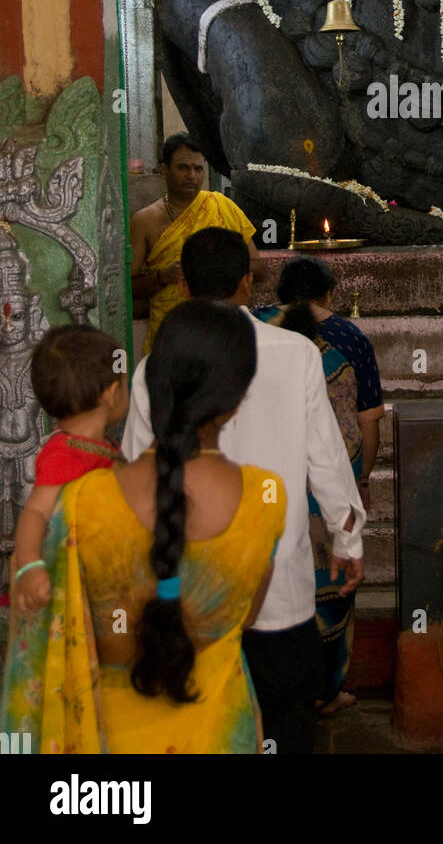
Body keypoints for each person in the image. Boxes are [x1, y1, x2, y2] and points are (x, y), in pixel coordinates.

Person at [1, 301, 286, 754]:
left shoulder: (81, 501)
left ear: (149, 384)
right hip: (217, 730)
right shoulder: (267, 497)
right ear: (234, 401)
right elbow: (246, 617)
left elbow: (41, 625)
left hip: (105, 739)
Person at [122, 227, 365, 754]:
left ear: (183, 286)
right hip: (280, 592)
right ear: (247, 283)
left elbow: (135, 481)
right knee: (283, 725)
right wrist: (348, 541)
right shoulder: (296, 352)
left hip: (187, 599)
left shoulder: (152, 369)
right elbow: (327, 458)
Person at [257, 256, 384, 714]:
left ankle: (268, 697)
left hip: (267, 475)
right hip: (329, 480)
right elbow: (367, 422)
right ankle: (325, 691)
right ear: (329, 294)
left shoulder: (255, 326)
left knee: (271, 580)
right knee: (333, 583)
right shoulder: (350, 338)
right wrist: (361, 479)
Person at [12, 325, 127, 614]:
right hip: (78, 586)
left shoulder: (102, 447)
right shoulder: (64, 452)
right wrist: (30, 566)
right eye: (125, 383)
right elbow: (36, 511)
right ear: (112, 394)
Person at [130, 131, 266, 353]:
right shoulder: (144, 221)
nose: (191, 175)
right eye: (183, 168)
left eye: (198, 168)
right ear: (164, 169)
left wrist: (217, 266)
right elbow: (125, 289)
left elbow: (258, 269)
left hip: (226, 333)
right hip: (173, 337)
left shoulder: (222, 205)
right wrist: (162, 277)